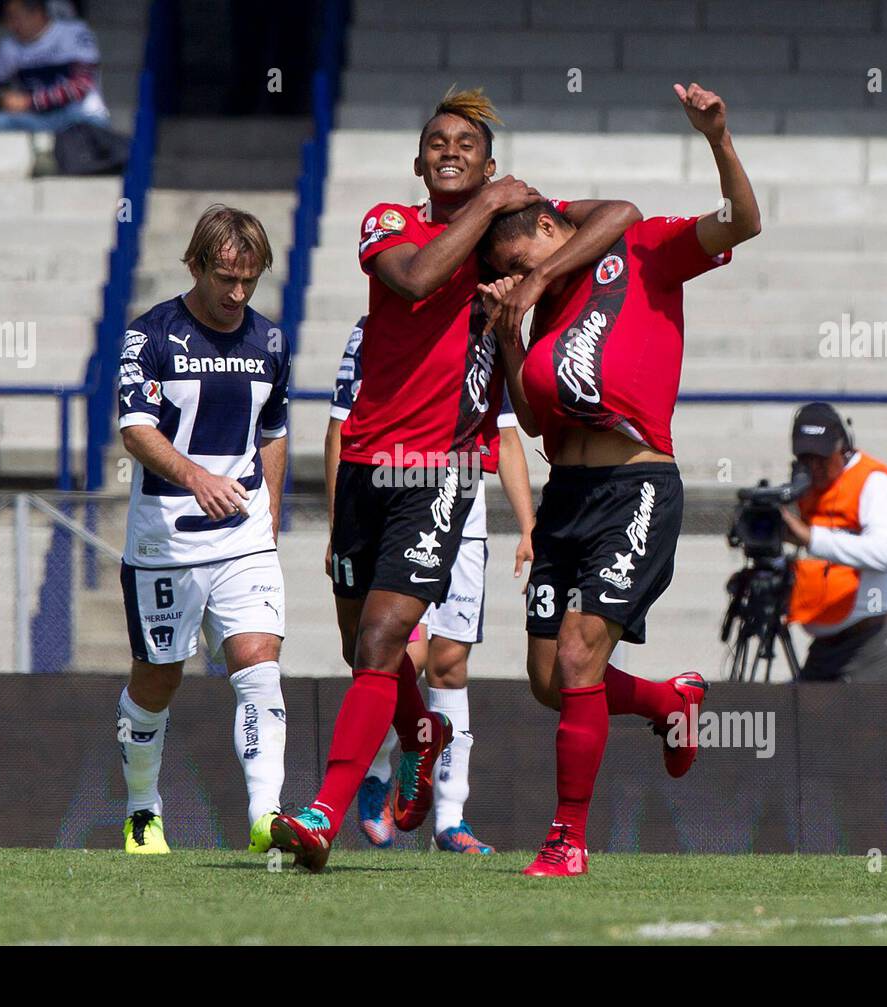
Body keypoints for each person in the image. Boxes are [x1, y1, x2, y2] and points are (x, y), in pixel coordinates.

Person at [268, 87, 639, 873]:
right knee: (354, 643)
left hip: (439, 467)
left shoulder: (503, 246)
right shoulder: (389, 223)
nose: (449, 151)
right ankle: (416, 734)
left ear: (490, 165)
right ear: (417, 161)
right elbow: (411, 279)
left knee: (380, 639)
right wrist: (489, 208)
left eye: (467, 145)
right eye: (437, 141)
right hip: (369, 459)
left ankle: (322, 813)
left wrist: (536, 274)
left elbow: (622, 214)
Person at [480, 82, 761, 878]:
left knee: (576, 658)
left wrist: (719, 139)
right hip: (567, 498)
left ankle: (567, 840)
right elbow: (536, 427)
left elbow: (743, 220)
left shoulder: (639, 254)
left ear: (547, 226)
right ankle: (669, 700)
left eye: (515, 261)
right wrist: (508, 336)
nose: (512, 276)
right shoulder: (539, 313)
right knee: (549, 679)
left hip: (635, 489)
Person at [113, 205, 291, 855]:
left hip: (243, 538)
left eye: (250, 280)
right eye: (225, 278)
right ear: (195, 264)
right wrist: (196, 478)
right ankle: (141, 809)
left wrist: (268, 510)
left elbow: (272, 431)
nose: (237, 294)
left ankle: (267, 815)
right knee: (158, 678)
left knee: (258, 663)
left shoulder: (270, 341)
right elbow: (136, 431)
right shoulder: (151, 335)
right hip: (166, 540)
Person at [324, 316, 537, 854]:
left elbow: (507, 435)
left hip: (462, 508)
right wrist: (338, 525)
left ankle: (450, 817)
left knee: (450, 662)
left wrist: (528, 525)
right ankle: (375, 773)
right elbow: (340, 427)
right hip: (399, 502)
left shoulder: (485, 334)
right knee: (397, 653)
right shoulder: (376, 329)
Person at [780, 403, 887, 683]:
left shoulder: (874, 481)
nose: (815, 466)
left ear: (843, 447)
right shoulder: (805, 488)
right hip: (827, 644)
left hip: (875, 639)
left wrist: (811, 538)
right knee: (805, 726)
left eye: (822, 457)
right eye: (806, 458)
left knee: (870, 728)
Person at [0, 0, 110, 133]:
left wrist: (30, 102)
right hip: (36, 118)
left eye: (15, 17)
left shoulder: (73, 32)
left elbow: (81, 85)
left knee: (88, 119)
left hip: (78, 114)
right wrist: (6, 99)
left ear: (37, 14)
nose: (11, 25)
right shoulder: (9, 45)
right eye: (8, 19)